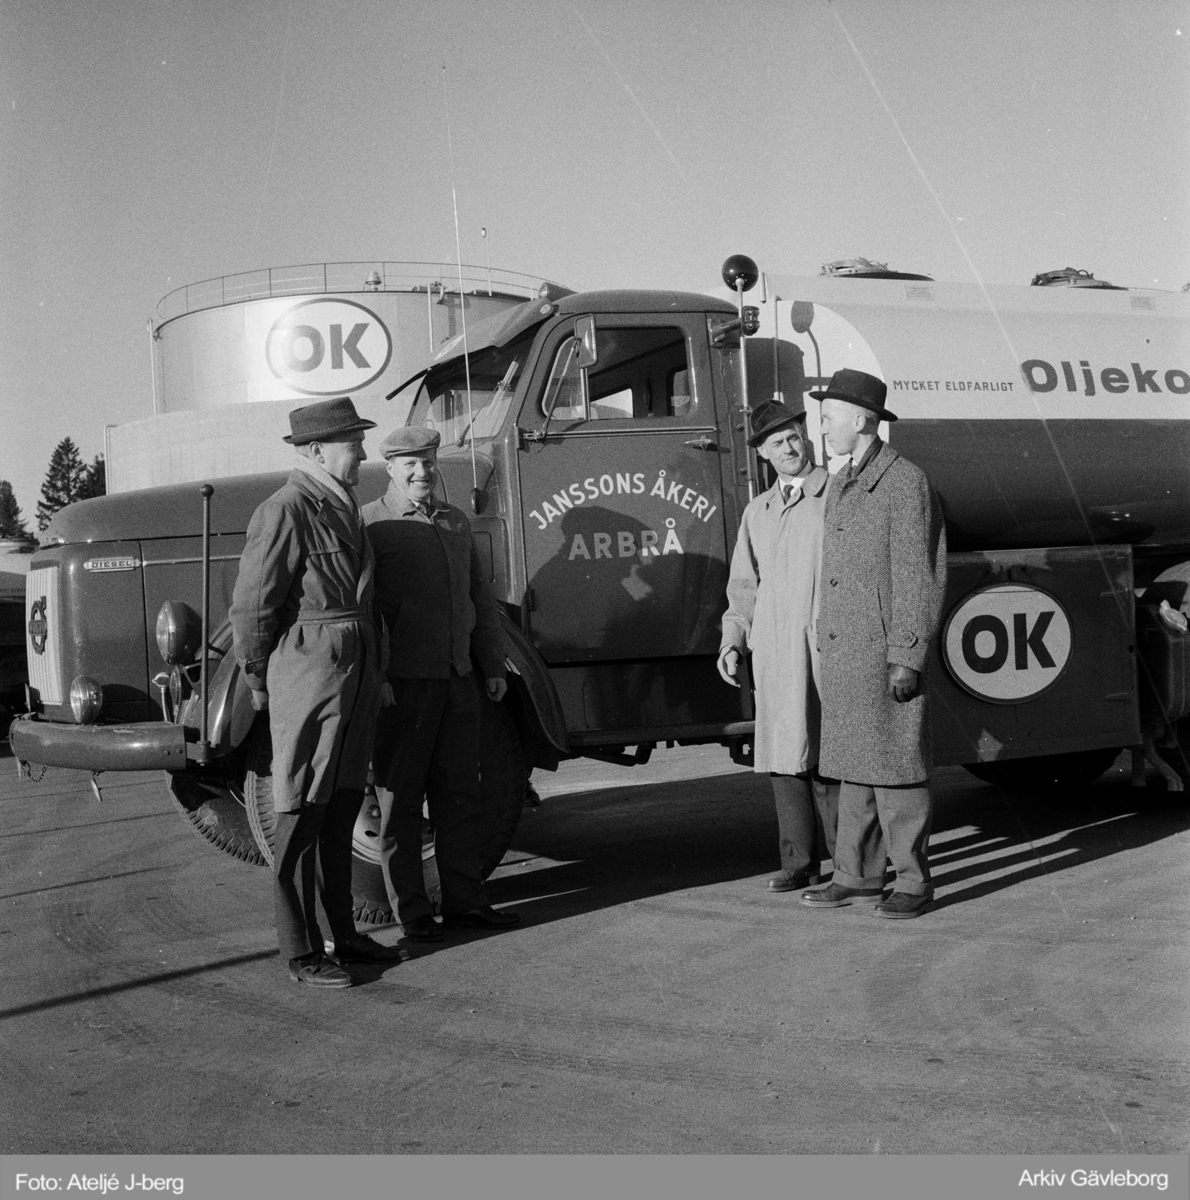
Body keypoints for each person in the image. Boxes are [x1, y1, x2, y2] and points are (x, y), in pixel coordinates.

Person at [230, 397, 405, 988]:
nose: (361, 450)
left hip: (354, 665)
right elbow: (254, 606)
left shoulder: (342, 503)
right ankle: (302, 952)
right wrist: (261, 679)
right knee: (302, 807)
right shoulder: (285, 509)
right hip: (313, 666)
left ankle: (345, 935)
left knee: (342, 803)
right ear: (314, 451)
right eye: (351, 441)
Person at [363, 426, 520, 941]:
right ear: (389, 468)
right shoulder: (370, 524)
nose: (421, 472)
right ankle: (412, 915)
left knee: (460, 798)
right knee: (400, 804)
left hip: (459, 683)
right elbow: (362, 612)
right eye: (409, 463)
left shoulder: (455, 522)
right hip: (403, 688)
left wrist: (492, 667)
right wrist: (378, 677)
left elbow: (480, 600)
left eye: (428, 462)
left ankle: (466, 904)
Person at [800, 369, 947, 919]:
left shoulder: (905, 481)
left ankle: (912, 881)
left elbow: (918, 575)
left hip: (882, 652)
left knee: (898, 768)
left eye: (829, 418)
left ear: (860, 421)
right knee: (856, 768)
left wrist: (907, 653)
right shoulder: (841, 480)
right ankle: (856, 876)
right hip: (846, 653)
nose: (823, 429)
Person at [718, 398, 848, 893]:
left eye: (794, 436)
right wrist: (732, 641)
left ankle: (850, 864)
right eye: (778, 442)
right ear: (763, 454)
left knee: (830, 761)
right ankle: (798, 864)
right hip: (775, 656)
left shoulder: (837, 495)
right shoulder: (759, 512)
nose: (789, 447)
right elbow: (742, 589)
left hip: (822, 652)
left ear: (806, 437)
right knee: (784, 760)